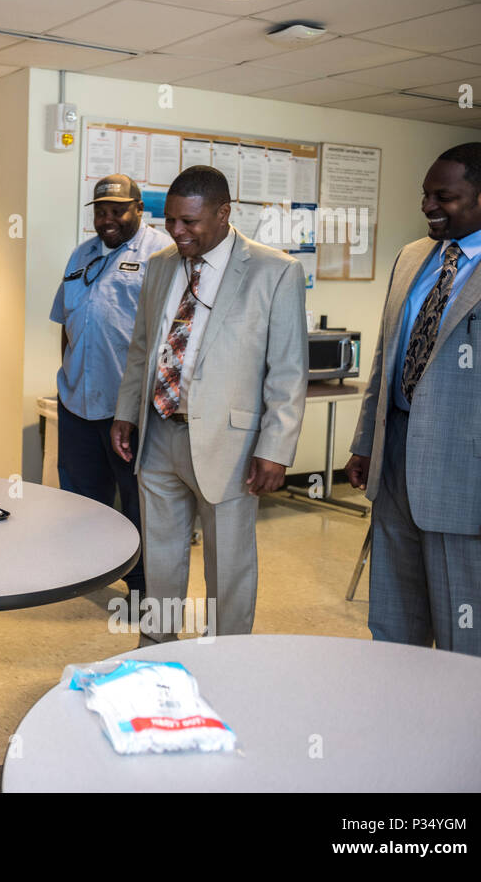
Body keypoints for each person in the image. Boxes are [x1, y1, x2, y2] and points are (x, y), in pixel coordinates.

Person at [112, 165, 307, 642]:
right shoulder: (161, 265)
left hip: (231, 442)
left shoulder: (274, 271)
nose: (177, 232)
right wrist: (125, 410)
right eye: (172, 220)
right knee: (159, 554)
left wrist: (275, 449)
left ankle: (228, 656)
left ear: (223, 213)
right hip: (159, 431)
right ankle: (156, 648)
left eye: (190, 222)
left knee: (228, 563)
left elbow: (287, 371)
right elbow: (142, 347)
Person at [345, 143, 481, 660]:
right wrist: (364, 444)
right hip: (395, 465)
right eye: (425, 194)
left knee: (469, 637)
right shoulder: (413, 256)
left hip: (475, 487)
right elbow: (386, 358)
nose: (428, 206)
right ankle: (401, 723)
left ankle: (468, 736)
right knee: (394, 623)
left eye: (445, 196)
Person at [50, 174, 169, 605]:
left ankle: (141, 587)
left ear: (139, 209)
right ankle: (88, 571)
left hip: (129, 407)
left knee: (137, 502)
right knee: (83, 498)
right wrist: (69, 372)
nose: (108, 219)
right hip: (77, 400)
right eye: (101, 210)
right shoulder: (81, 254)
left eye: (118, 209)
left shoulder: (162, 254)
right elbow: (67, 321)